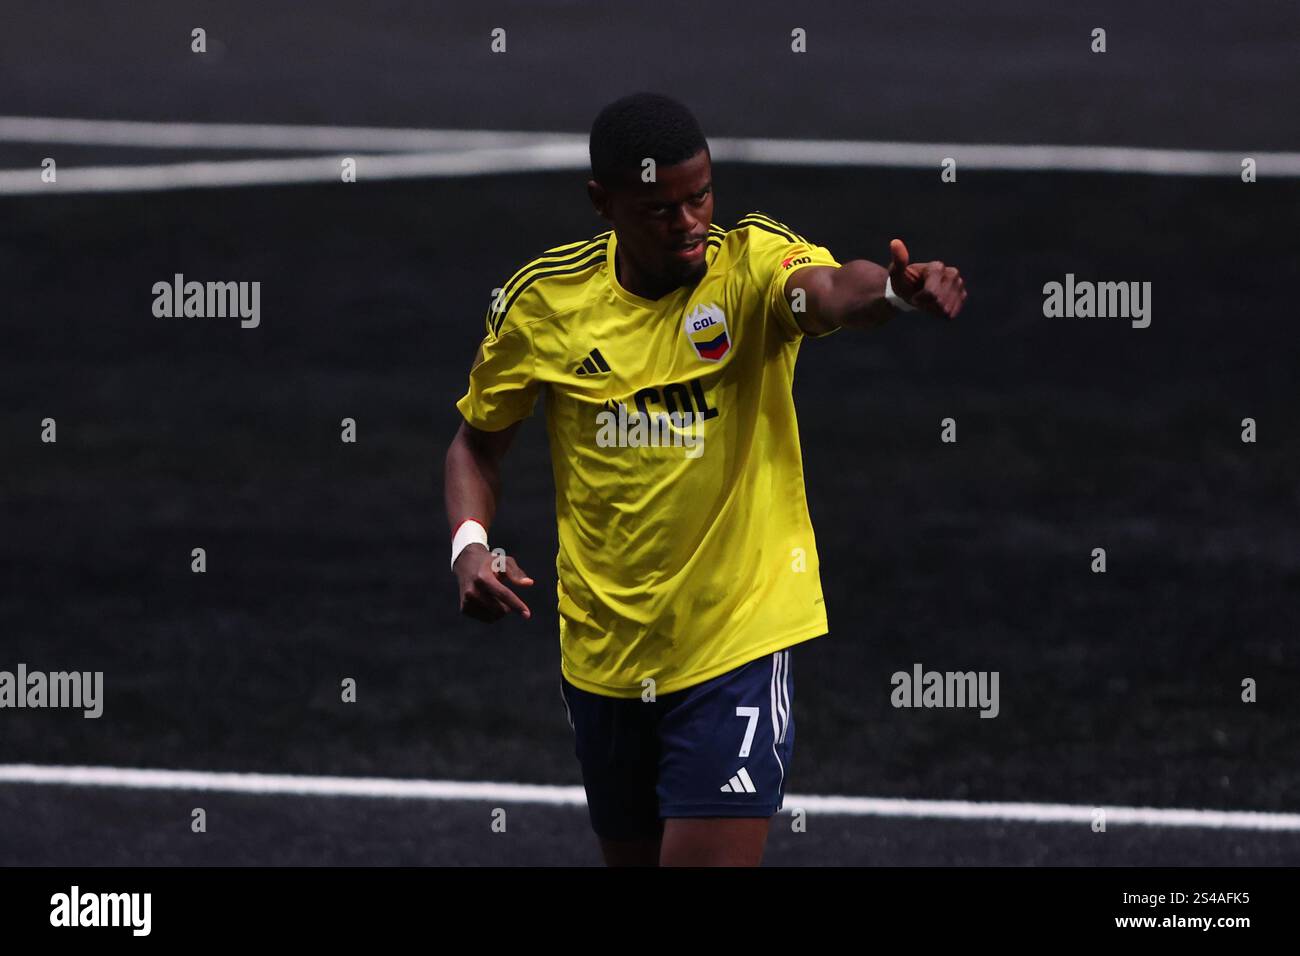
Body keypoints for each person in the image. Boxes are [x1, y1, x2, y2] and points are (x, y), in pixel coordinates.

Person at [445, 92, 967, 866]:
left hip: (735, 640)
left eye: (701, 197)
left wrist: (892, 293)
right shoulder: (546, 304)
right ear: (604, 204)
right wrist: (470, 547)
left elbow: (827, 291)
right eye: (660, 209)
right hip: (605, 649)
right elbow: (476, 445)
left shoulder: (752, 265)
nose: (690, 222)